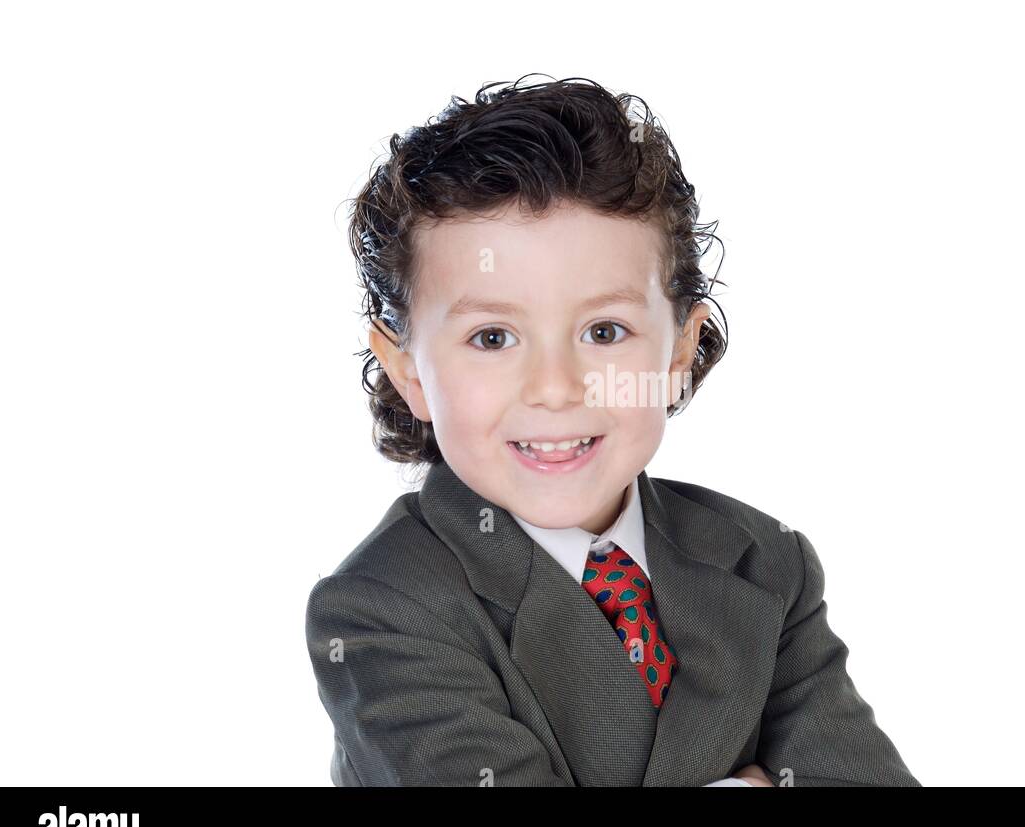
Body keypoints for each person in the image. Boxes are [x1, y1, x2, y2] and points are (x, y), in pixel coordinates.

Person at [305, 75, 920, 787]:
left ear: (681, 349)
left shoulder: (763, 563)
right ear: (409, 370)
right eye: (493, 337)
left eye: (604, 331)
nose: (556, 388)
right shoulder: (385, 608)